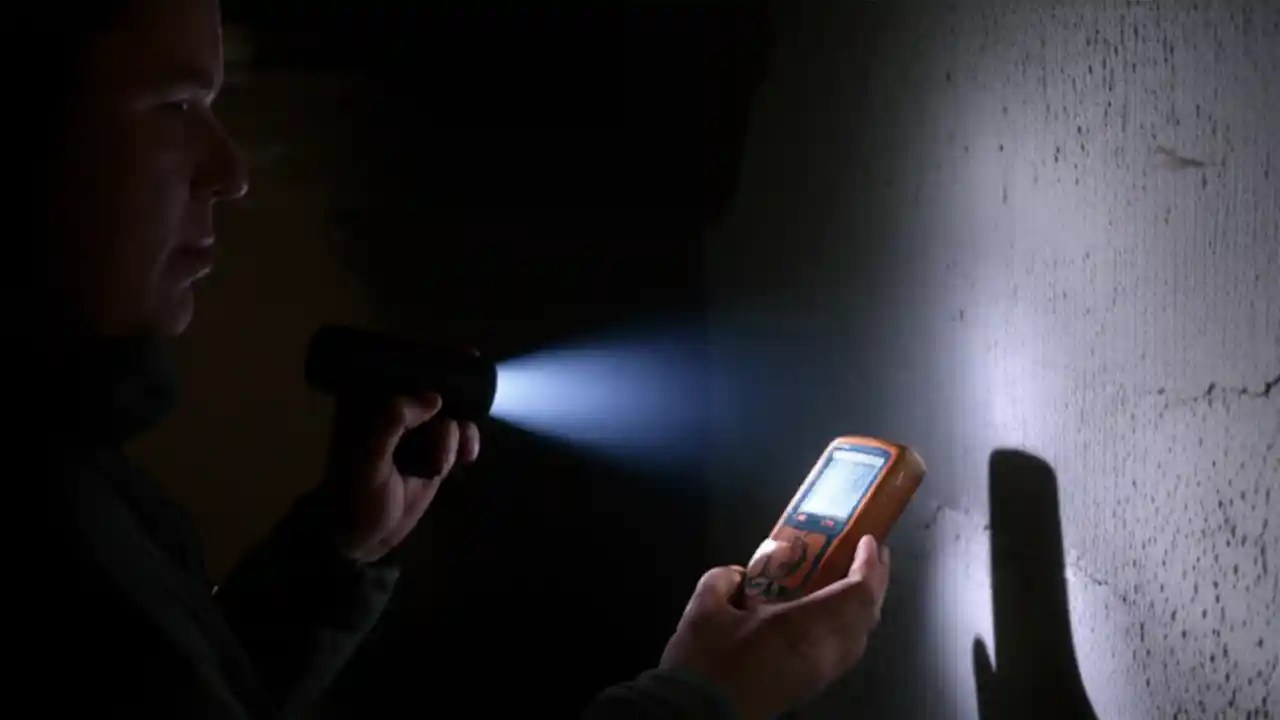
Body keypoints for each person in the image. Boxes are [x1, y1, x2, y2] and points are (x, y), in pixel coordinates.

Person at [14, 1, 890, 718]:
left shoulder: (87, 483)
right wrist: (700, 699)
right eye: (173, 107)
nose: (230, 168)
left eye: (218, 105)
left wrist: (334, 555)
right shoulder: (48, 532)